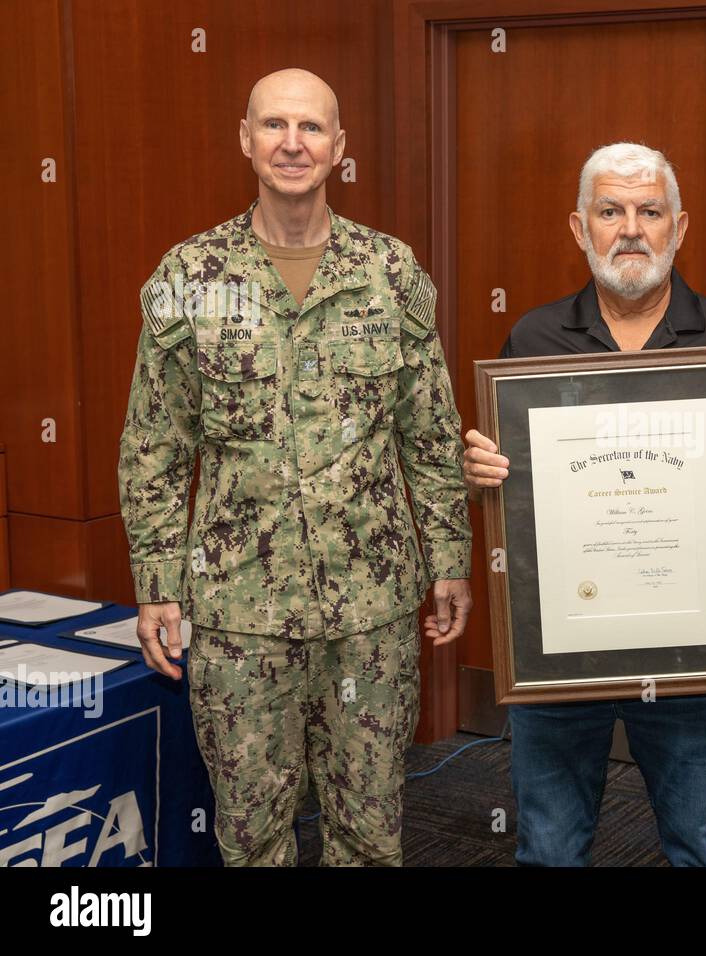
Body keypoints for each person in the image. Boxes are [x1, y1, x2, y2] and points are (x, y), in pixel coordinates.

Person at [117, 68, 472, 866]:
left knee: (371, 830)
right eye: (274, 125)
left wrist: (450, 559)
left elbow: (432, 434)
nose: (292, 143)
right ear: (245, 140)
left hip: (370, 612)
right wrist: (158, 584)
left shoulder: (389, 273)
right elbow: (156, 448)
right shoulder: (188, 280)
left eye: (311, 129)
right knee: (250, 834)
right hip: (240, 617)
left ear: (339, 149)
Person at [462, 143, 706, 866]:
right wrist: (482, 472)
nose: (631, 228)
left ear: (678, 227)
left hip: (697, 656)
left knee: (705, 847)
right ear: (579, 227)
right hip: (559, 653)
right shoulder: (531, 340)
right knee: (550, 851)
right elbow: (515, 502)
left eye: (649, 211)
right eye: (610, 211)